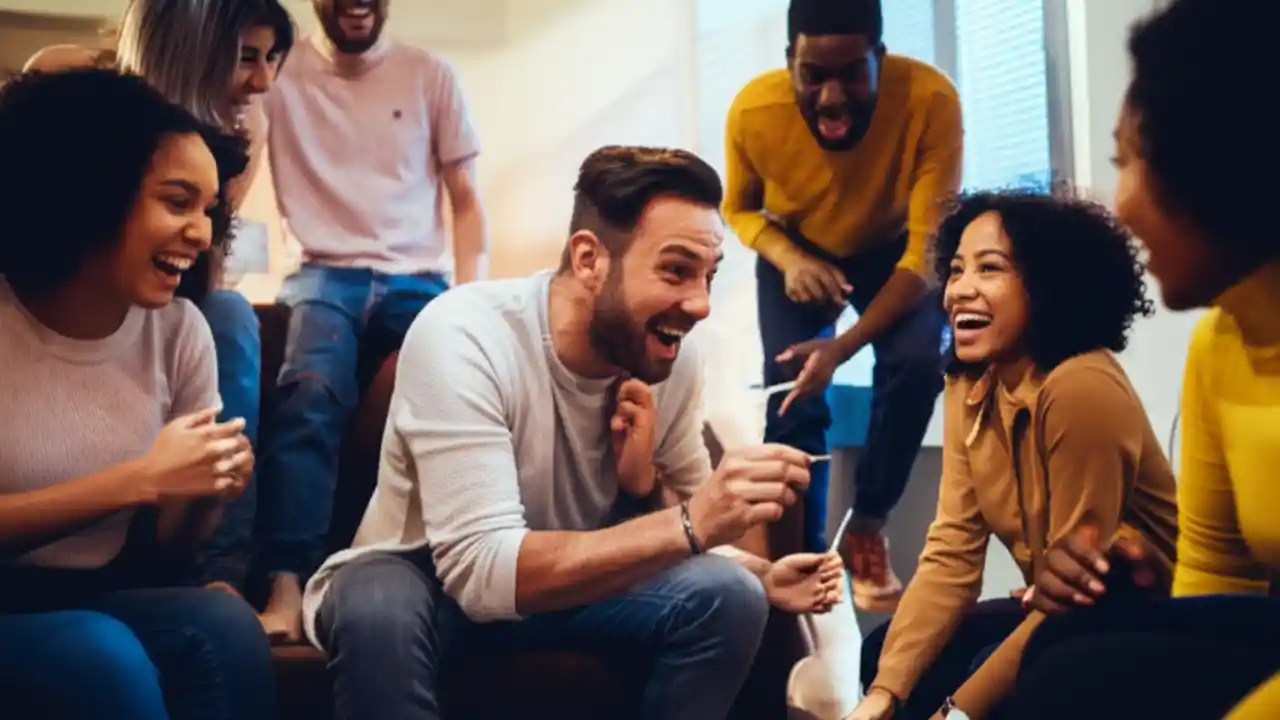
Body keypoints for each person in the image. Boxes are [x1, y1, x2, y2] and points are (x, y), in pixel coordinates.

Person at [304, 145, 843, 720]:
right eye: (676, 270)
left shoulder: (674, 356)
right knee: (374, 603)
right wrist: (692, 522)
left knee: (732, 596)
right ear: (589, 260)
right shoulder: (465, 333)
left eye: (709, 276)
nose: (701, 304)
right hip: (429, 574)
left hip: (574, 587)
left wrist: (760, 572)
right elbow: (482, 573)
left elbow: (697, 515)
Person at [1015, 1, 1280, 717]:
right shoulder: (1221, 345)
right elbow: (1218, 580)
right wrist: (1139, 590)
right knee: (1069, 649)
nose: (1121, 206)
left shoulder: (1082, 386)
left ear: (1216, 160)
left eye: (1130, 160)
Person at [0, 68, 274, 720]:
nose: (202, 233)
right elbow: (140, 484)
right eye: (178, 203)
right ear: (91, 193)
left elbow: (174, 547)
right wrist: (142, 479)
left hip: (100, 594)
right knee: (103, 654)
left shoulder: (180, 331)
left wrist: (202, 491)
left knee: (226, 626)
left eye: (208, 210)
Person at [845, 191, 1177, 720]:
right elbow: (953, 551)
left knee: (990, 678)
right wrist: (882, 695)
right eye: (956, 270)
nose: (960, 290)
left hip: (1151, 620)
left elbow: (1077, 599)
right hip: (1057, 609)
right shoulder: (969, 383)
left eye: (990, 268)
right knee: (885, 654)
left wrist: (955, 714)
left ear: (1047, 286)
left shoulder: (1081, 386)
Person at [23, 0, 296, 601]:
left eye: (272, 58)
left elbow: (202, 267)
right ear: (191, 47)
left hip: (162, 314)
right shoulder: (70, 82)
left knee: (225, 316)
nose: (263, 81)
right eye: (245, 57)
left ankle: (217, 571)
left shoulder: (243, 129)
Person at [253, 0, 492, 642]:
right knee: (310, 390)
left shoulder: (429, 74)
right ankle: (286, 581)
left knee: (462, 390)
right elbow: (238, 165)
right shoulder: (278, 71)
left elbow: (466, 199)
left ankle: (466, 569)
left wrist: (473, 301)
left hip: (418, 277)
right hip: (322, 271)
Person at [723, 0, 962, 609]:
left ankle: (867, 525)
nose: (831, 98)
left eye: (852, 74)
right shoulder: (753, 111)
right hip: (800, 247)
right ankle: (799, 566)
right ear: (790, 63)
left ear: (880, 57)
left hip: (895, 249)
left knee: (918, 363)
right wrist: (789, 259)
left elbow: (925, 259)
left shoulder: (931, 100)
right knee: (792, 394)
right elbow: (739, 208)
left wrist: (843, 348)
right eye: (813, 76)